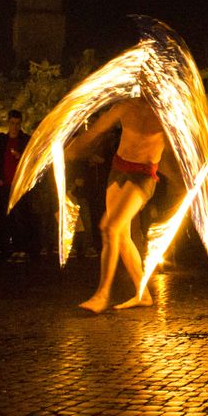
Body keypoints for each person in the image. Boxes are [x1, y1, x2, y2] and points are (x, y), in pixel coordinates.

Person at [65, 97, 166, 312]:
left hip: (143, 176)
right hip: (118, 170)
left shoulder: (168, 113)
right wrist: (74, 148)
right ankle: (143, 294)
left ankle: (102, 295)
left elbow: (184, 145)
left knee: (110, 227)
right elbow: (96, 130)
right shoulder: (127, 106)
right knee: (120, 236)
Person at [0, 110, 34, 261]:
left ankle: (22, 247)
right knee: (8, 217)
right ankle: (10, 248)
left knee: (20, 217)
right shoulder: (1, 141)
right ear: (8, 123)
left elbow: (32, 159)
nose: (15, 126)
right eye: (12, 123)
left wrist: (20, 157)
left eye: (18, 124)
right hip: (5, 184)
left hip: (19, 184)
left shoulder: (25, 141)